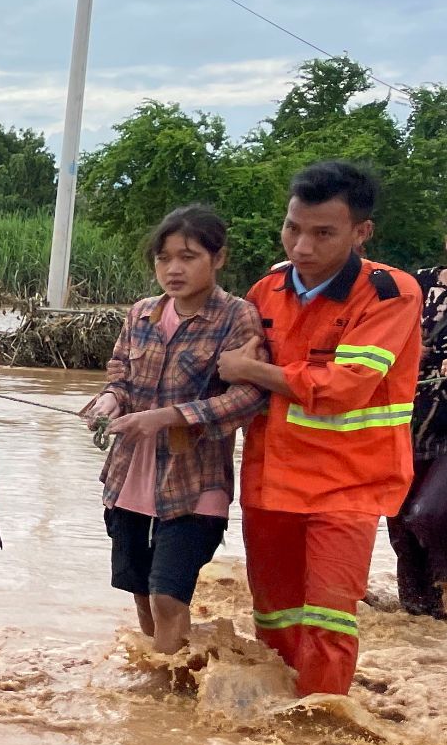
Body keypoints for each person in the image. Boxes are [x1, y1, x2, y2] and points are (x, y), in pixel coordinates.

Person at [220, 160, 421, 696]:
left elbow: (343, 388)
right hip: (270, 480)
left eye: (323, 233)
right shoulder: (267, 291)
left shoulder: (389, 294)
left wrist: (253, 370)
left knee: (330, 617)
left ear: (362, 233)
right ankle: (283, 729)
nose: (302, 246)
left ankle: (322, 725)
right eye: (293, 228)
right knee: (275, 615)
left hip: (348, 483)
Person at [82, 206, 268, 655]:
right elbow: (120, 376)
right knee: (141, 591)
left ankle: (166, 697)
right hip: (130, 476)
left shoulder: (237, 317)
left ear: (218, 258)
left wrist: (170, 417)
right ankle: (162, 687)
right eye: (164, 258)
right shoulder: (141, 313)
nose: (174, 269)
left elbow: (251, 396)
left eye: (188, 257)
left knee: (169, 593)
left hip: (195, 481)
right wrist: (109, 400)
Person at [384, 223, 446, 617]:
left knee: (430, 515)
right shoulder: (416, 284)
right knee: (401, 522)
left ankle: (440, 594)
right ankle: (417, 618)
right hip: (406, 416)